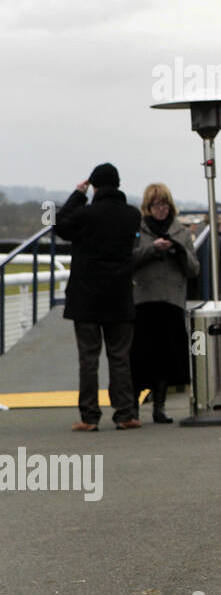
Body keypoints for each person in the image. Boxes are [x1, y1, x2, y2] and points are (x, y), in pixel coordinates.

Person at [54, 163, 142, 431]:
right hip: (119, 294)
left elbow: (55, 225)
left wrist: (77, 196)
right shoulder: (132, 215)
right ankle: (125, 413)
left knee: (89, 359)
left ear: (94, 185)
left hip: (86, 296)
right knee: (120, 357)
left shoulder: (85, 215)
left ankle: (90, 417)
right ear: (118, 184)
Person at [130, 182, 200, 423]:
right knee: (140, 357)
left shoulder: (181, 231)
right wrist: (153, 249)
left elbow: (194, 269)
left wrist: (179, 251)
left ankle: (159, 407)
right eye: (156, 205)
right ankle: (133, 407)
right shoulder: (137, 230)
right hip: (144, 300)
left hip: (171, 301)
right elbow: (128, 260)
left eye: (164, 205)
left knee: (165, 357)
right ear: (147, 207)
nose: (161, 209)